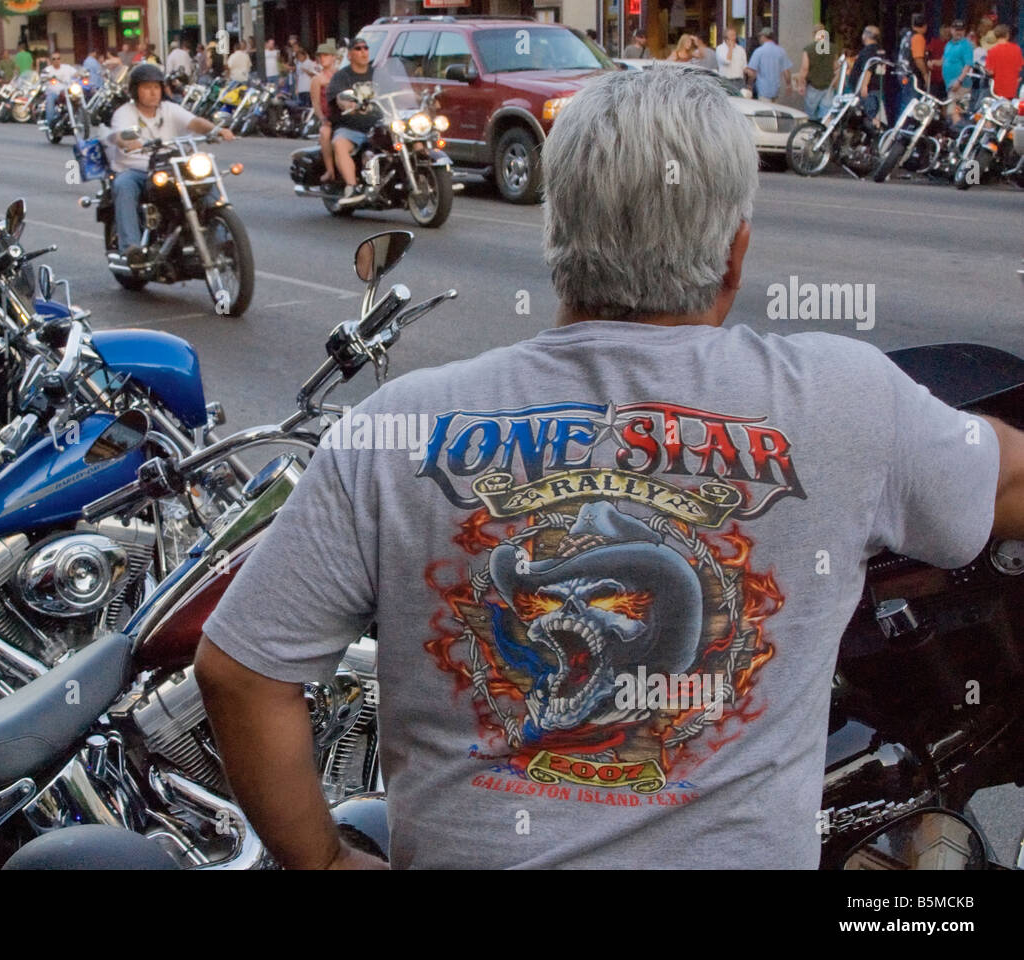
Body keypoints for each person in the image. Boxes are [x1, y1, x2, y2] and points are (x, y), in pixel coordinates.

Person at [191, 65, 1024, 871]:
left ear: (556, 237)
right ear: (735, 255)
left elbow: (238, 670)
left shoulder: (396, 425)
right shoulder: (846, 400)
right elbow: (1007, 480)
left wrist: (324, 861)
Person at [103, 63, 233, 267]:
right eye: (146, 87)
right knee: (123, 185)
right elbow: (119, 135)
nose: (153, 92)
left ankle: (222, 238)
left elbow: (194, 122)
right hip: (137, 169)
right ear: (135, 90)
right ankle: (131, 247)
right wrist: (127, 140)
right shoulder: (125, 112)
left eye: (156, 87)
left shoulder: (170, 109)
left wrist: (214, 130)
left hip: (170, 165)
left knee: (205, 180)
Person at [326, 36, 379, 206]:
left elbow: (397, 90)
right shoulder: (342, 76)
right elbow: (338, 98)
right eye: (358, 49)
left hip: (377, 124)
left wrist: (416, 96)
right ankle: (352, 187)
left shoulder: (377, 73)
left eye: (365, 48)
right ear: (350, 55)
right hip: (352, 126)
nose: (363, 52)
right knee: (340, 144)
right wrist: (346, 103)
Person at [795, 24, 835, 120]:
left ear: (814, 34)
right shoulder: (832, 48)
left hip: (813, 85)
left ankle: (811, 131)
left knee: (810, 113)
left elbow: (805, 68)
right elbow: (835, 65)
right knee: (826, 114)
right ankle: (825, 132)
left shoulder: (809, 49)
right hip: (828, 85)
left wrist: (801, 84)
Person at [312, 39, 338, 184]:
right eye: (321, 56)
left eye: (326, 55)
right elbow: (316, 103)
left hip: (344, 116)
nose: (323, 58)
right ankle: (329, 170)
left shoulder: (341, 75)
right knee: (325, 133)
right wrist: (323, 119)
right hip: (329, 118)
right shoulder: (318, 79)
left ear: (333, 57)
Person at [746, 27, 792, 101]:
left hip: (763, 90)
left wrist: (749, 85)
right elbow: (786, 71)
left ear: (764, 37)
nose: (759, 39)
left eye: (760, 37)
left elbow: (752, 72)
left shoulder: (759, 51)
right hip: (776, 90)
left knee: (765, 111)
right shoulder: (781, 51)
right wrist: (788, 85)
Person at [896, 13, 929, 117]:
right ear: (924, 26)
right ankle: (906, 129)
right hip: (912, 76)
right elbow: (918, 59)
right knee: (912, 104)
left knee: (905, 102)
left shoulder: (907, 36)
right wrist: (925, 74)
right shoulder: (918, 37)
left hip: (901, 73)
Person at [943, 20, 976, 122]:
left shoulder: (966, 44)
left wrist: (959, 80)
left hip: (961, 85)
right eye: (956, 30)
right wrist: (933, 62)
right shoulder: (949, 44)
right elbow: (944, 60)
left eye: (961, 30)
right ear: (951, 30)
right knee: (950, 112)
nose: (959, 32)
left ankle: (958, 135)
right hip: (950, 85)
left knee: (955, 112)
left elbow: (968, 64)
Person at [40, 51, 79, 132]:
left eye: (58, 58)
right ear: (51, 61)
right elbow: (42, 77)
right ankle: (50, 124)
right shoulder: (48, 69)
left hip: (66, 91)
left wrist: (82, 74)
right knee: (50, 99)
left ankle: (81, 118)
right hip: (54, 92)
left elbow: (76, 73)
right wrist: (48, 78)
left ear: (60, 59)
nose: (56, 60)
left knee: (78, 97)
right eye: (54, 59)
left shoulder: (67, 67)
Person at [984, 24, 1023, 99]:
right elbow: (1019, 68)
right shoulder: (1017, 49)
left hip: (998, 89)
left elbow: (990, 71)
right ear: (1007, 35)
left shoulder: (992, 51)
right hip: (1012, 89)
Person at [715, 28, 747, 93]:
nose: (734, 38)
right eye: (731, 35)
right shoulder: (720, 48)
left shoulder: (740, 49)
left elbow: (744, 66)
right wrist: (731, 48)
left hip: (739, 81)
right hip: (726, 81)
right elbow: (727, 61)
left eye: (734, 35)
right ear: (725, 38)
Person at [928, 23, 951, 98]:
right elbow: (926, 54)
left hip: (945, 78)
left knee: (944, 99)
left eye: (948, 33)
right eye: (945, 32)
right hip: (934, 77)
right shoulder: (934, 42)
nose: (947, 34)